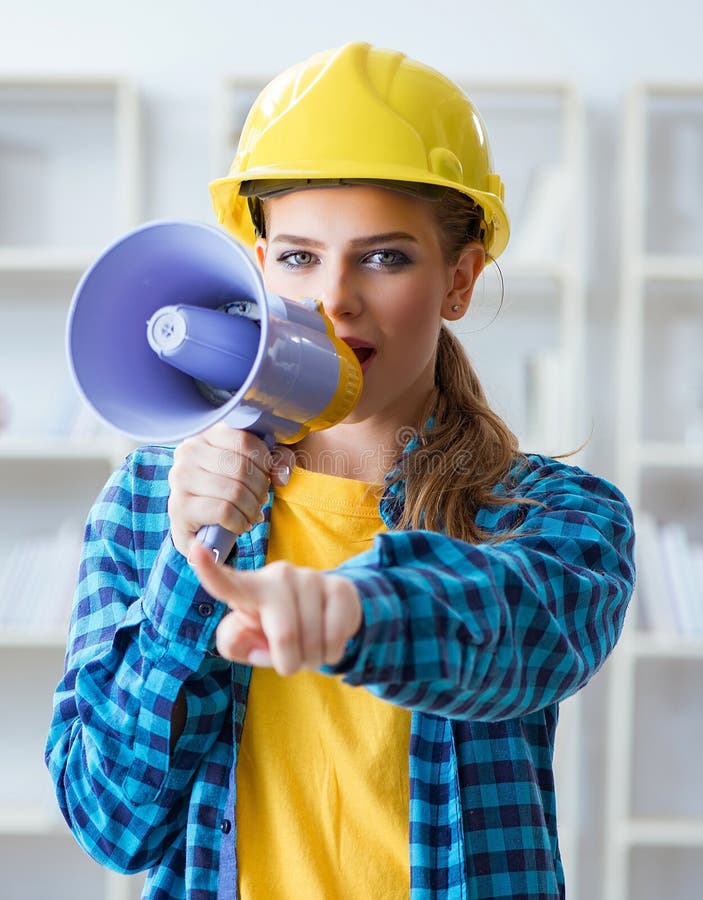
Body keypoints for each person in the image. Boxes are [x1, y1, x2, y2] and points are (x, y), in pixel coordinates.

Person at [46, 41, 635, 900]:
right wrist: (185, 567)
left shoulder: (553, 515)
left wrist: (352, 611)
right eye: (297, 256)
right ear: (257, 267)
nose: (334, 298)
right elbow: (112, 824)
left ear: (459, 280)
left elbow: (525, 642)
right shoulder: (150, 503)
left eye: (385, 256)